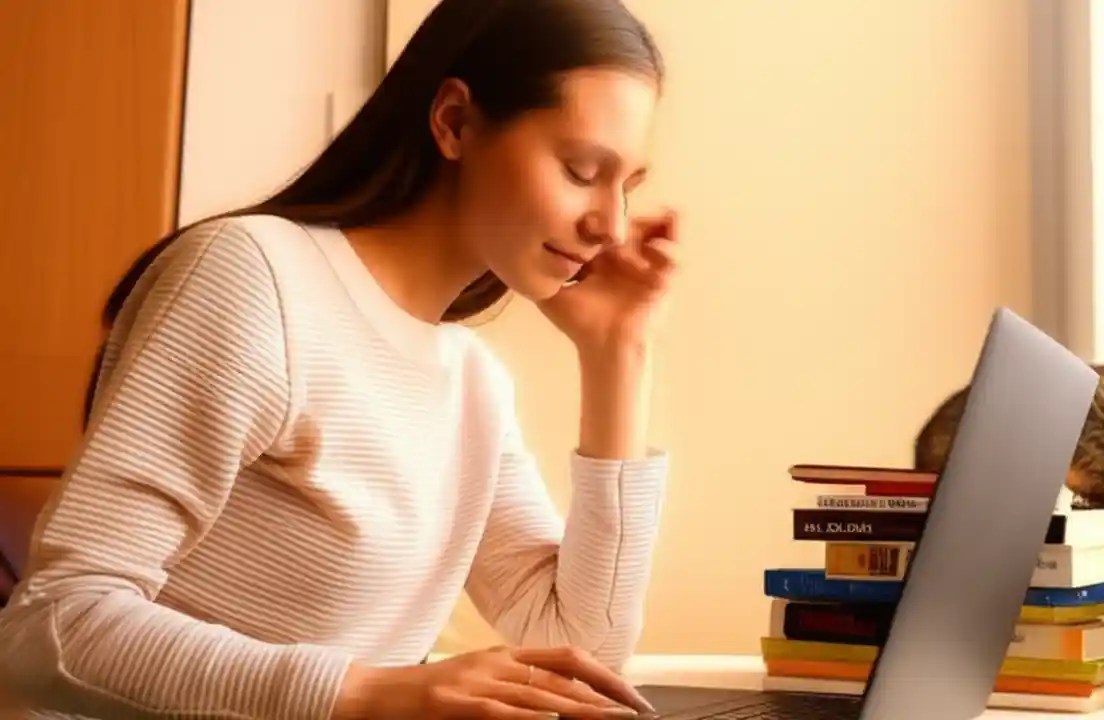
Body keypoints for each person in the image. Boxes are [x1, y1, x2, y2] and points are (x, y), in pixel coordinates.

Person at [0, 1, 676, 718]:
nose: (612, 226)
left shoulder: (471, 381)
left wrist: (617, 353)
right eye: (581, 170)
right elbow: (51, 629)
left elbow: (586, 657)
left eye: (627, 186)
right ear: (453, 121)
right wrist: (368, 692)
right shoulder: (254, 279)